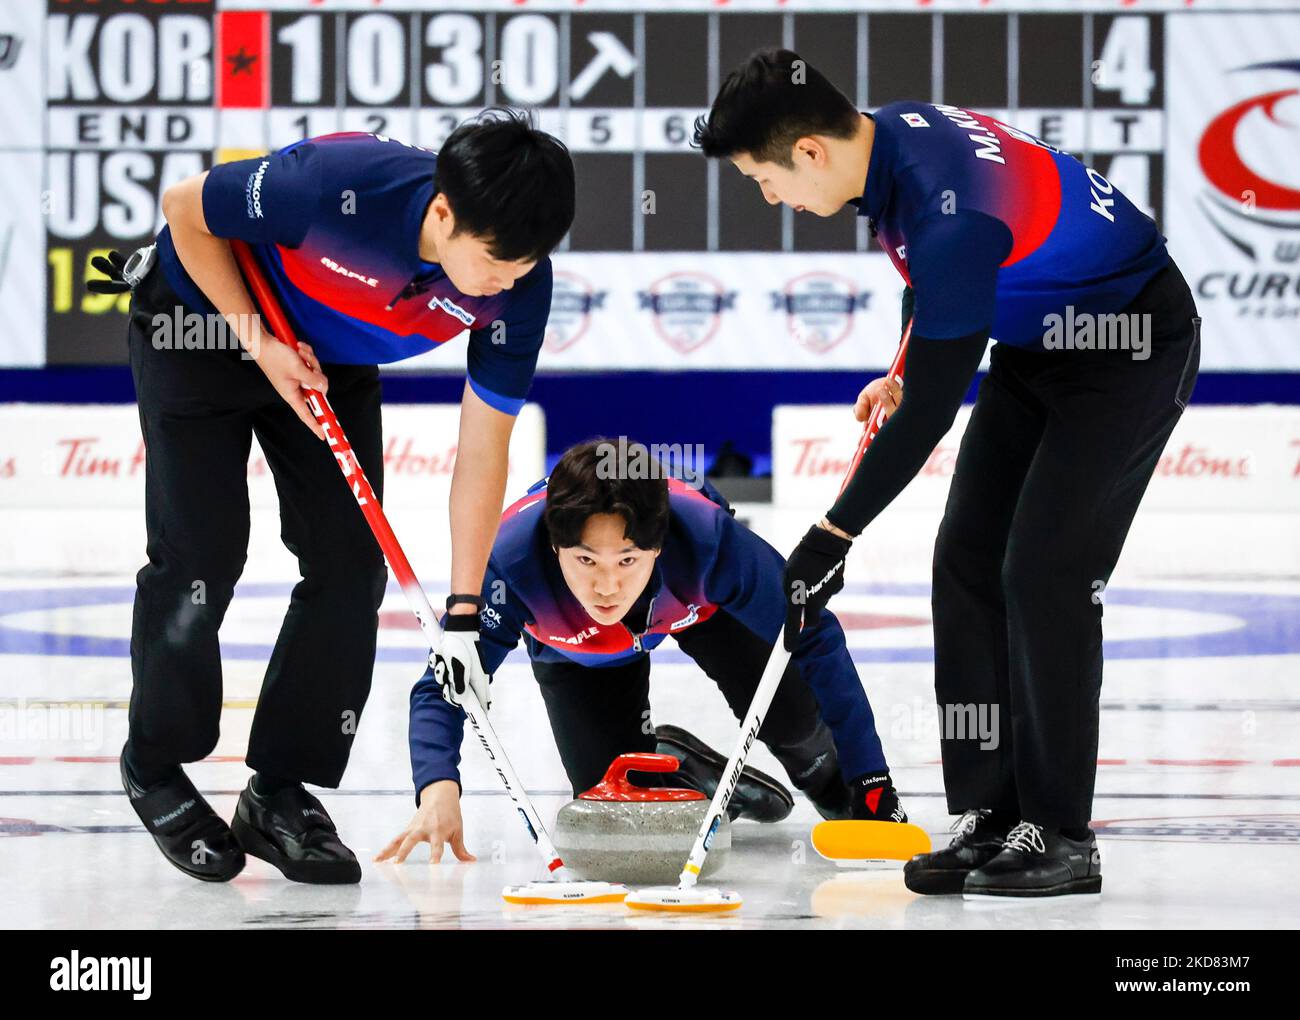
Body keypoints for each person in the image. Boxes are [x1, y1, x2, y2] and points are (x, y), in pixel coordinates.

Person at [694, 50, 1200, 897]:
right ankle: (991, 812)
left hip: (1130, 346)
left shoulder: (948, 211)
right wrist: (903, 361)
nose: (771, 197)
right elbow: (927, 283)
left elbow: (931, 409)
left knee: (1045, 573)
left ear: (809, 151)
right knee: (965, 559)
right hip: (1040, 344)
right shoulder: (891, 136)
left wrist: (832, 532)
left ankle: (1061, 834)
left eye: (763, 178)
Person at [93, 111, 575, 884]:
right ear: (443, 213)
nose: (508, 283)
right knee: (203, 554)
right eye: (494, 262)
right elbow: (186, 207)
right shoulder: (332, 188)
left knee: (350, 565)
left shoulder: (519, 287)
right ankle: (155, 763)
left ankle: (278, 789)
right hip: (205, 330)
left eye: (526, 265)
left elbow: (483, 447)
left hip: (330, 356)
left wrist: (460, 611)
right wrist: (261, 344)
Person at [379, 439, 906, 864]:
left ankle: (831, 783)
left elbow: (814, 633)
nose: (607, 587)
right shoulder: (508, 566)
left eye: (627, 560)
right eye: (586, 561)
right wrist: (437, 789)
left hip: (700, 608)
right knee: (614, 816)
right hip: (578, 653)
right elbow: (441, 684)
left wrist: (872, 781)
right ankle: (681, 766)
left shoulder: (709, 540)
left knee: (796, 727)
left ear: (658, 545)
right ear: (555, 544)